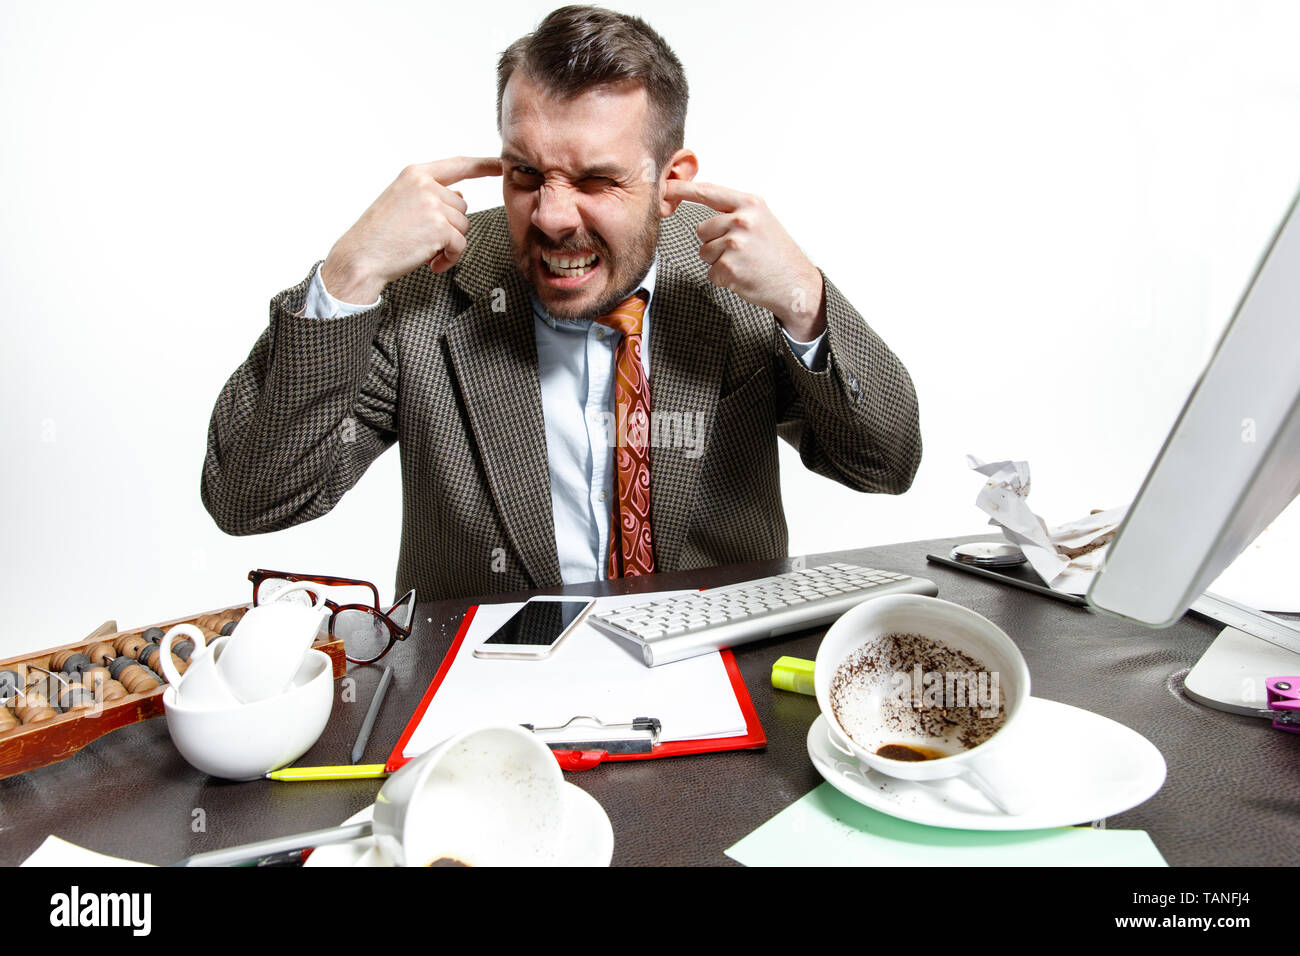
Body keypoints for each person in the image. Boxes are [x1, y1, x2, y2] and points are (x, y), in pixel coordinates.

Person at [201, 5, 921, 601]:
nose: (550, 216)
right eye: (525, 173)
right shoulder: (424, 291)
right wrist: (349, 275)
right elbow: (250, 500)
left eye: (597, 181)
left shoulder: (732, 284)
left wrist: (805, 302)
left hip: (713, 669)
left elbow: (883, 466)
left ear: (671, 181)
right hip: (486, 693)